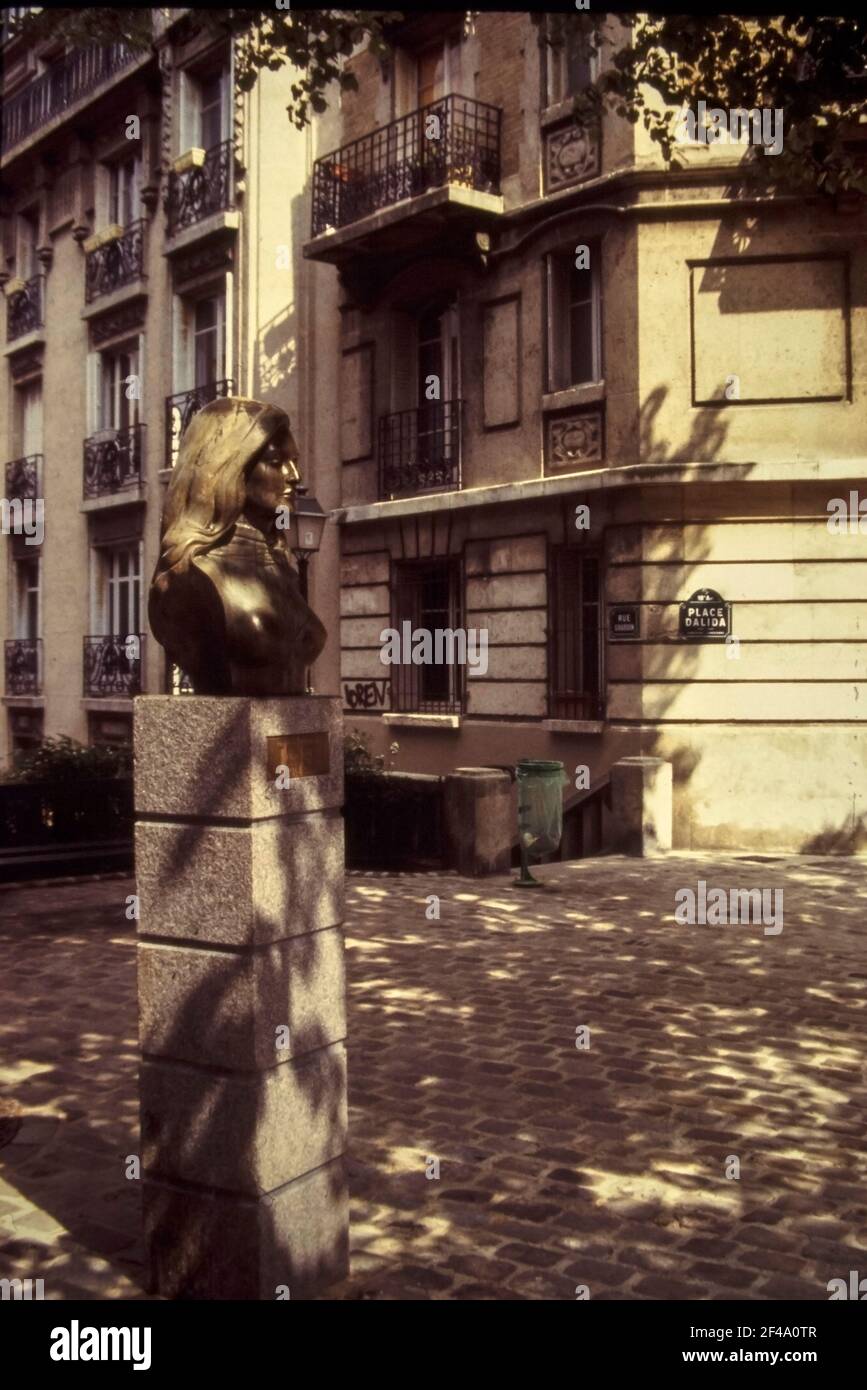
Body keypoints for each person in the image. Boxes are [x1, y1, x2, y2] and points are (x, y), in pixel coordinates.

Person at [149, 396, 326, 695]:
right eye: (275, 463)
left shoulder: (283, 572)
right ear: (230, 469)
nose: (294, 477)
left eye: (293, 462)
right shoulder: (192, 579)